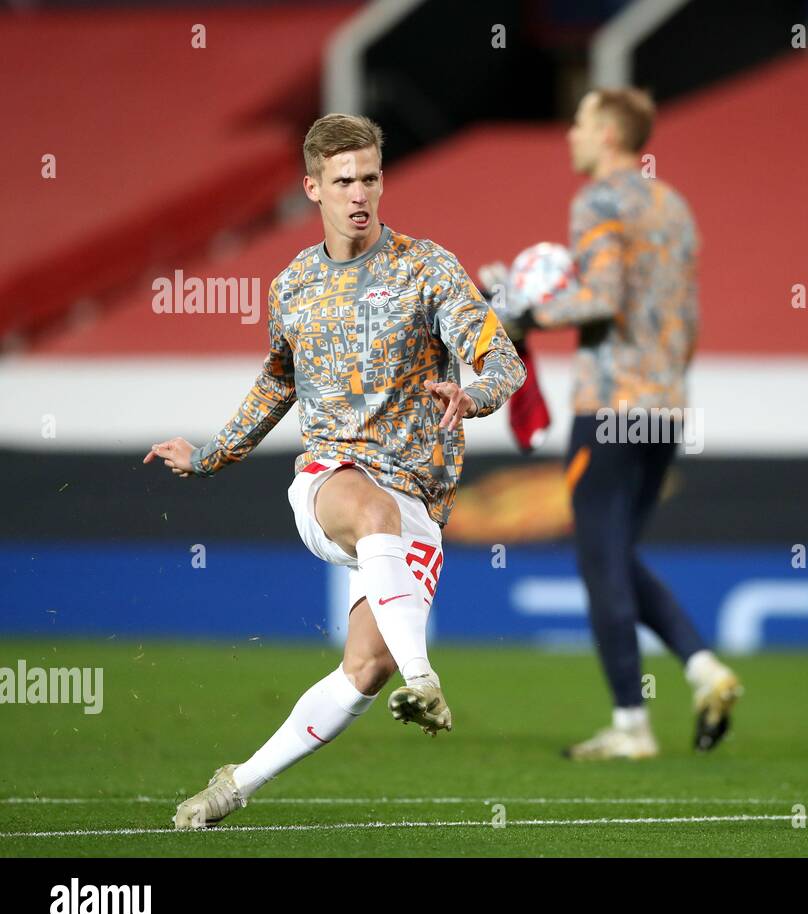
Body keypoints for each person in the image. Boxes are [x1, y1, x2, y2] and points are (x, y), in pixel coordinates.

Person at [146, 113, 525, 828]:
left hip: (420, 496)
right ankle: (428, 681)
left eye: (371, 178)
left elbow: (504, 360)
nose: (360, 194)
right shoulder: (292, 287)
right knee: (373, 518)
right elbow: (275, 384)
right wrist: (209, 456)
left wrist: (468, 394)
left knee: (364, 672)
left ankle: (234, 784)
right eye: (343, 181)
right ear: (313, 188)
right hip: (333, 477)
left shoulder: (427, 268)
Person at [485, 88, 741, 760]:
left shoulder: (597, 201)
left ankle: (632, 725)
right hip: (665, 405)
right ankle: (703, 668)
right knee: (618, 556)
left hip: (609, 407)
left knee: (600, 563)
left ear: (604, 132)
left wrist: (521, 313)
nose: (569, 131)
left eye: (578, 120)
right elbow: (688, 318)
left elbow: (600, 297)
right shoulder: (673, 206)